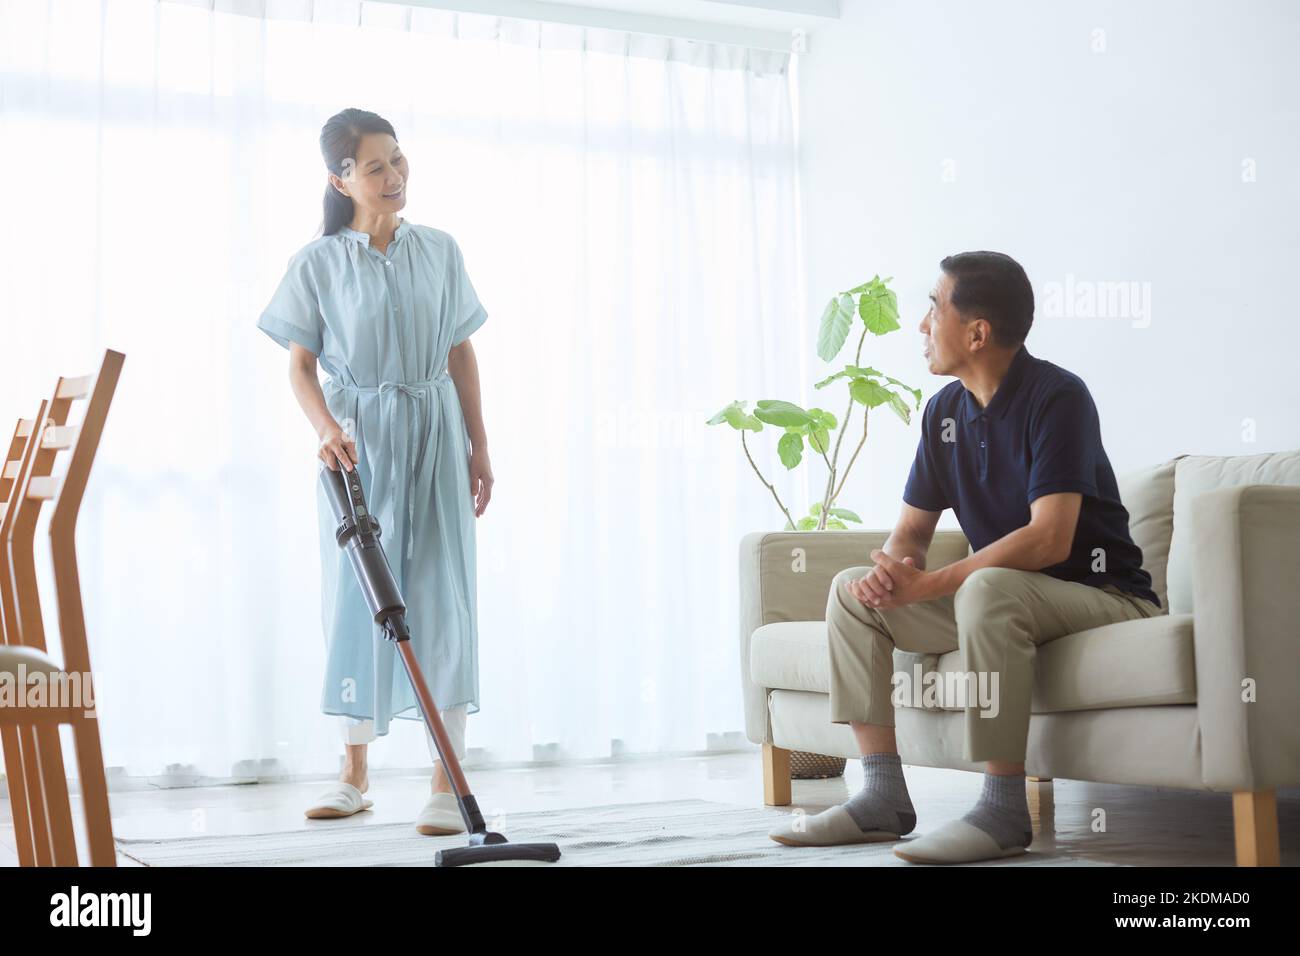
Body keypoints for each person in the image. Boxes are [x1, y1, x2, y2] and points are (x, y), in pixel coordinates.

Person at [768, 251, 1161, 863]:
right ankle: (882, 800)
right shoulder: (943, 412)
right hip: (1010, 601)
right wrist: (891, 573)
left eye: (933, 307)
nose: (921, 326)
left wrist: (931, 586)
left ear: (977, 332)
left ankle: (1003, 810)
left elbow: (1049, 539)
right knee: (852, 591)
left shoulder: (1058, 398)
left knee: (988, 587)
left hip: (1104, 597)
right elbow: (912, 533)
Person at [256, 108, 493, 836]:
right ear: (341, 178)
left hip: (434, 435)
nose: (394, 177)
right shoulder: (316, 263)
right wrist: (326, 427)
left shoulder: (441, 250)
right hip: (357, 447)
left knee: (441, 605)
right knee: (362, 603)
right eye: (376, 167)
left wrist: (480, 446)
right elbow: (299, 364)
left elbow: (459, 354)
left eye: (398, 160)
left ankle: (447, 783)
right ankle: (354, 776)